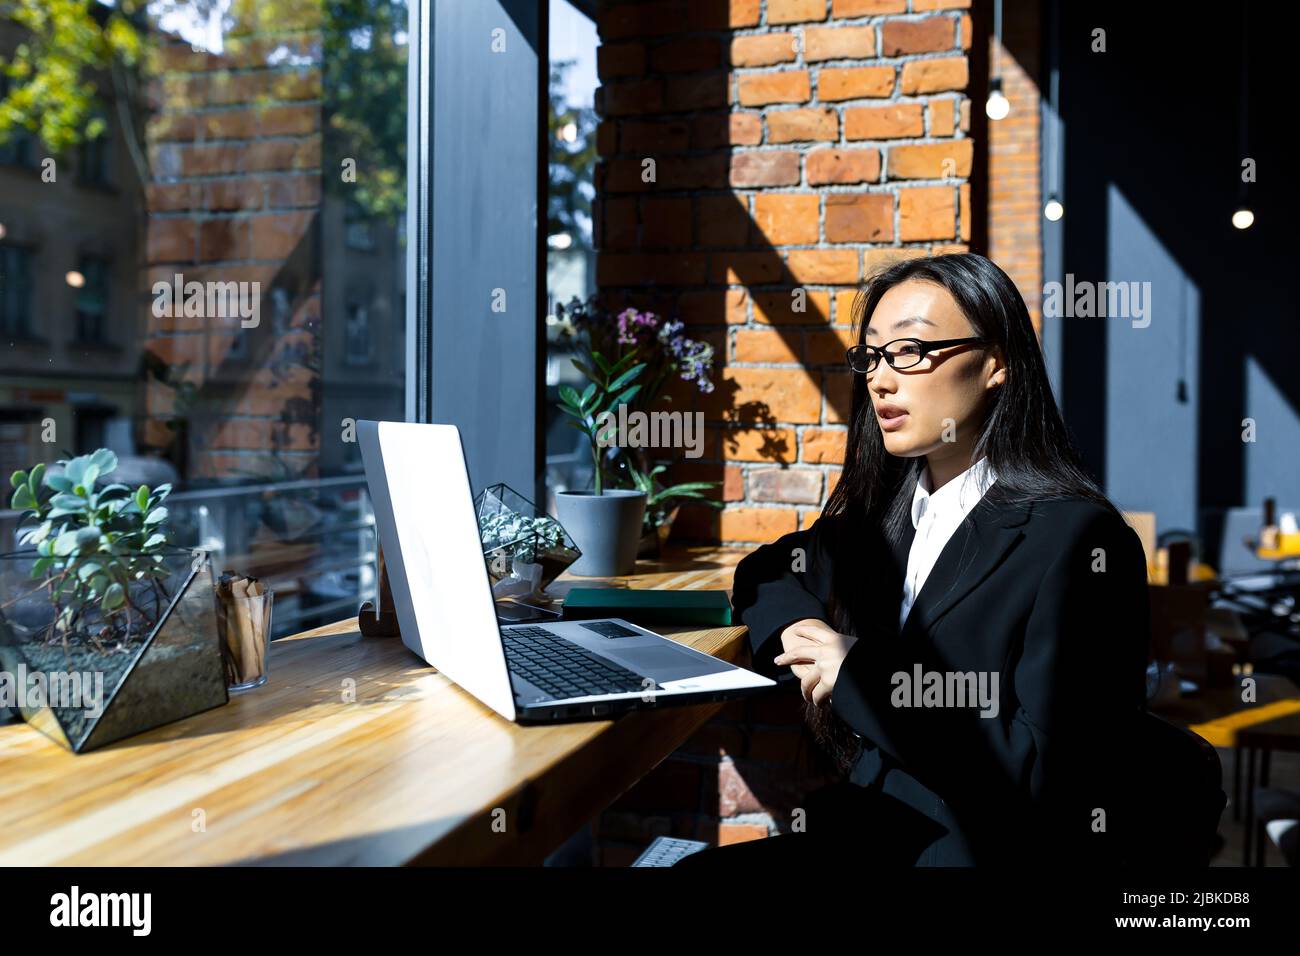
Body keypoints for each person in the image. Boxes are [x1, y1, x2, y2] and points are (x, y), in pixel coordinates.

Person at [678, 253, 1152, 867]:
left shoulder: (1080, 540)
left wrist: (859, 675)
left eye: (910, 351)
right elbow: (767, 571)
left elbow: (1046, 777)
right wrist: (805, 635)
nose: (880, 378)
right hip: (864, 830)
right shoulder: (891, 518)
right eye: (873, 355)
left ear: (996, 363)